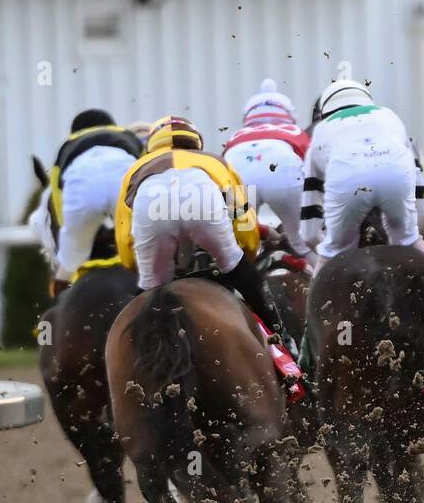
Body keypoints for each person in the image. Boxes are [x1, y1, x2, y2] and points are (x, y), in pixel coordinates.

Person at [114, 116, 303, 395]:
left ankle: (126, 366)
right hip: (202, 198)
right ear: (197, 143)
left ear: (152, 146)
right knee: (236, 265)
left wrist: (146, 273)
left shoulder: (135, 170)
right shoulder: (215, 161)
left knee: (149, 298)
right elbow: (244, 224)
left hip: (150, 206)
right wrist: (240, 260)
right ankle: (282, 339)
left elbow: (125, 241)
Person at [300, 79, 424, 265]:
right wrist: (412, 237)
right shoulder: (389, 117)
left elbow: (310, 233)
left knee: (329, 253)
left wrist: (331, 251)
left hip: (346, 194)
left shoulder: (321, 131)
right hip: (396, 186)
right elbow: (422, 209)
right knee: (412, 241)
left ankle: (316, 292)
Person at [46, 109, 144, 295]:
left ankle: (58, 300)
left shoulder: (67, 146)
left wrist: (71, 235)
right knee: (146, 248)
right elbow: (147, 170)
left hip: (82, 189)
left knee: (70, 260)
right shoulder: (126, 136)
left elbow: (58, 203)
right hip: (123, 180)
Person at [224, 79, 311, 261]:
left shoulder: (235, 137)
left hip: (237, 168)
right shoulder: (294, 131)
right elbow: (313, 170)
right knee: (302, 240)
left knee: (241, 245)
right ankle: (322, 279)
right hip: (283, 171)